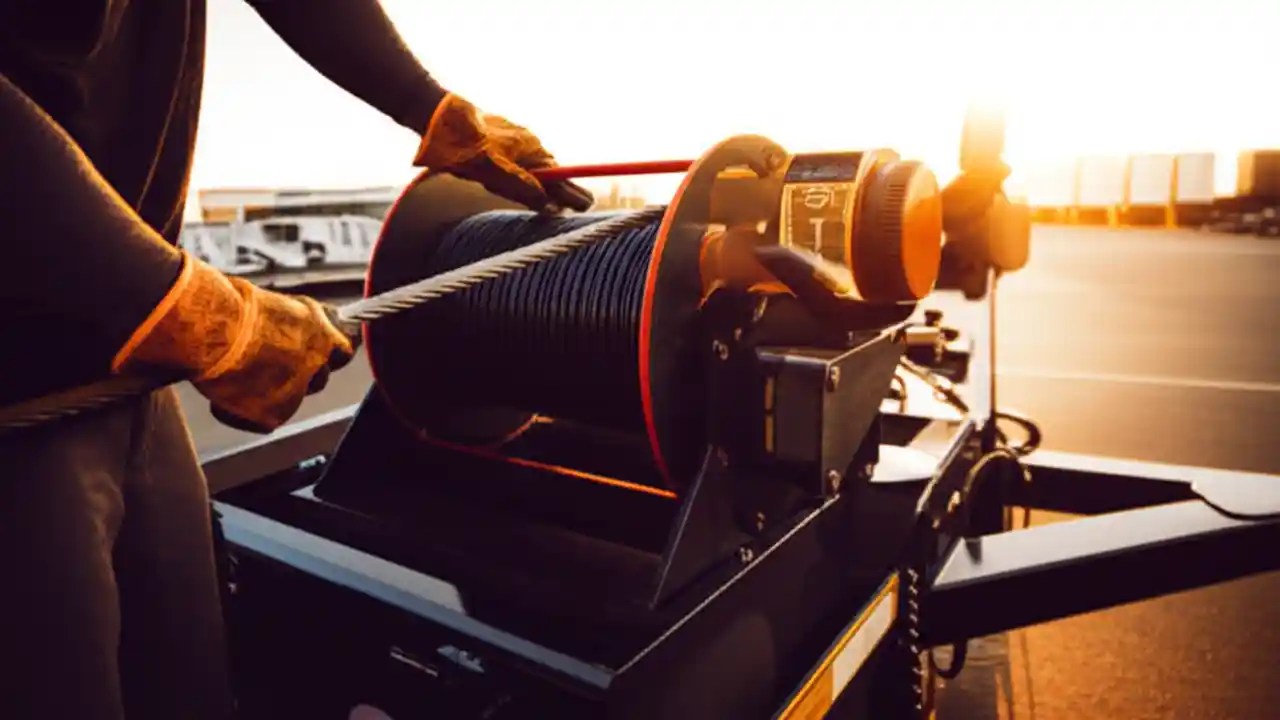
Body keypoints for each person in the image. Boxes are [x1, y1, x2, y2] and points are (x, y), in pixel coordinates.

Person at [0, 2, 592, 718]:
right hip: (22, 403)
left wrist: (429, 106)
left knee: (193, 690)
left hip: (135, 382)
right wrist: (183, 305)